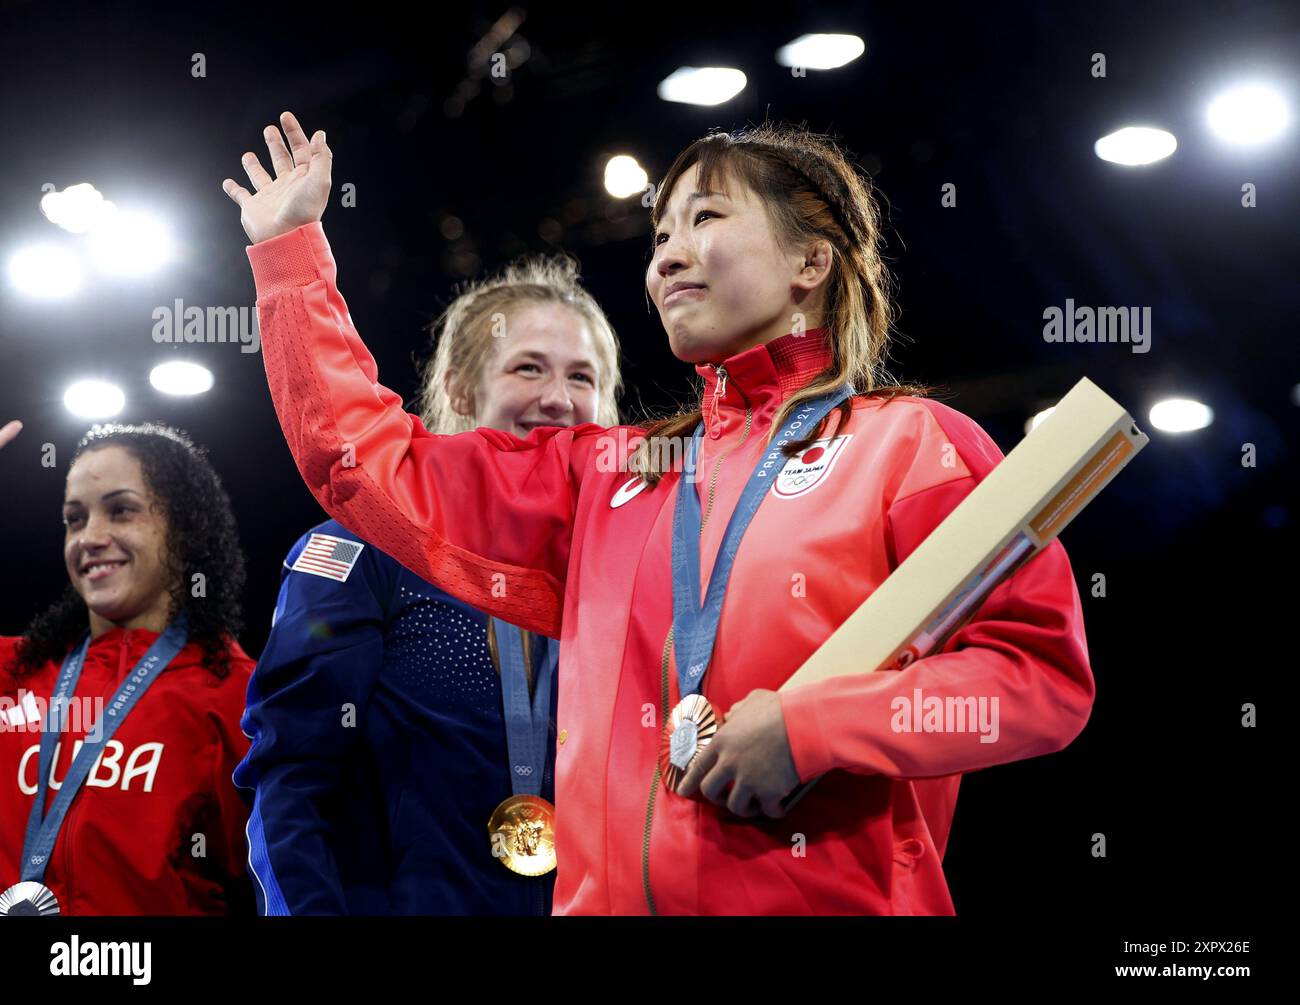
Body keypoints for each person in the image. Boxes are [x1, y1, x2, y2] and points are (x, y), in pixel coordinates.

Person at [222, 112, 1095, 915]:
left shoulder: (915, 446)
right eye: (662, 232)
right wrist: (291, 256)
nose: (667, 254)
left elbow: (1035, 684)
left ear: (810, 262)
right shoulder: (615, 473)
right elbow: (369, 461)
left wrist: (812, 729)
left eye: (706, 219)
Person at [234, 254, 623, 914]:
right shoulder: (364, 549)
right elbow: (292, 776)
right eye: (529, 366)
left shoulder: (618, 567)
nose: (559, 396)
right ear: (461, 390)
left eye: (582, 376)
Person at [0, 421, 255, 915]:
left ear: (183, 530)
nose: (90, 538)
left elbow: (271, 884)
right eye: (75, 519)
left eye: (121, 511)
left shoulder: (237, 696)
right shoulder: (13, 672)